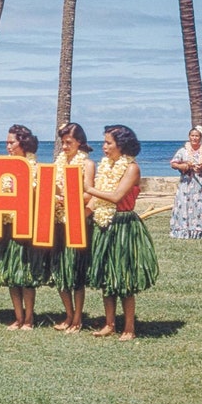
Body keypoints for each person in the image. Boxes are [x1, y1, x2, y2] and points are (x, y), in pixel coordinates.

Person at [86, 125, 159, 341]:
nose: (104, 147)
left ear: (121, 145)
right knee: (108, 276)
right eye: (104, 142)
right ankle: (110, 324)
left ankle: (129, 327)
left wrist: (88, 188)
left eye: (108, 142)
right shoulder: (107, 166)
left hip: (124, 225)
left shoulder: (131, 168)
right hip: (104, 224)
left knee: (124, 277)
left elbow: (117, 196)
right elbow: (98, 198)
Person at [0, 124, 47, 330]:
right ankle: (18, 316)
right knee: (12, 274)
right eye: (7, 142)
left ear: (23, 143)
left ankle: (29, 318)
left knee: (26, 275)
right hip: (7, 227)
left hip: (26, 228)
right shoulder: (4, 169)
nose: (8, 146)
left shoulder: (35, 168)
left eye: (12, 142)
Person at [50, 122, 95, 333]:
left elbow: (89, 194)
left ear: (79, 142)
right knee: (60, 269)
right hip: (58, 221)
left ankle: (78, 318)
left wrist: (67, 199)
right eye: (63, 143)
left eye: (69, 143)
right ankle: (68, 314)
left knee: (75, 271)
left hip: (77, 220)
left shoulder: (87, 164)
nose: (65, 147)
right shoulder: (58, 163)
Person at [168, 126, 202, 239]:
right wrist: (184, 166)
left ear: (200, 137)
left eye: (197, 136)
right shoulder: (182, 151)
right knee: (184, 204)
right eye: (192, 135)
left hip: (201, 183)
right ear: (189, 137)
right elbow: (173, 164)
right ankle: (182, 230)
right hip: (186, 183)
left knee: (201, 205)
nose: (194, 138)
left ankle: (199, 231)